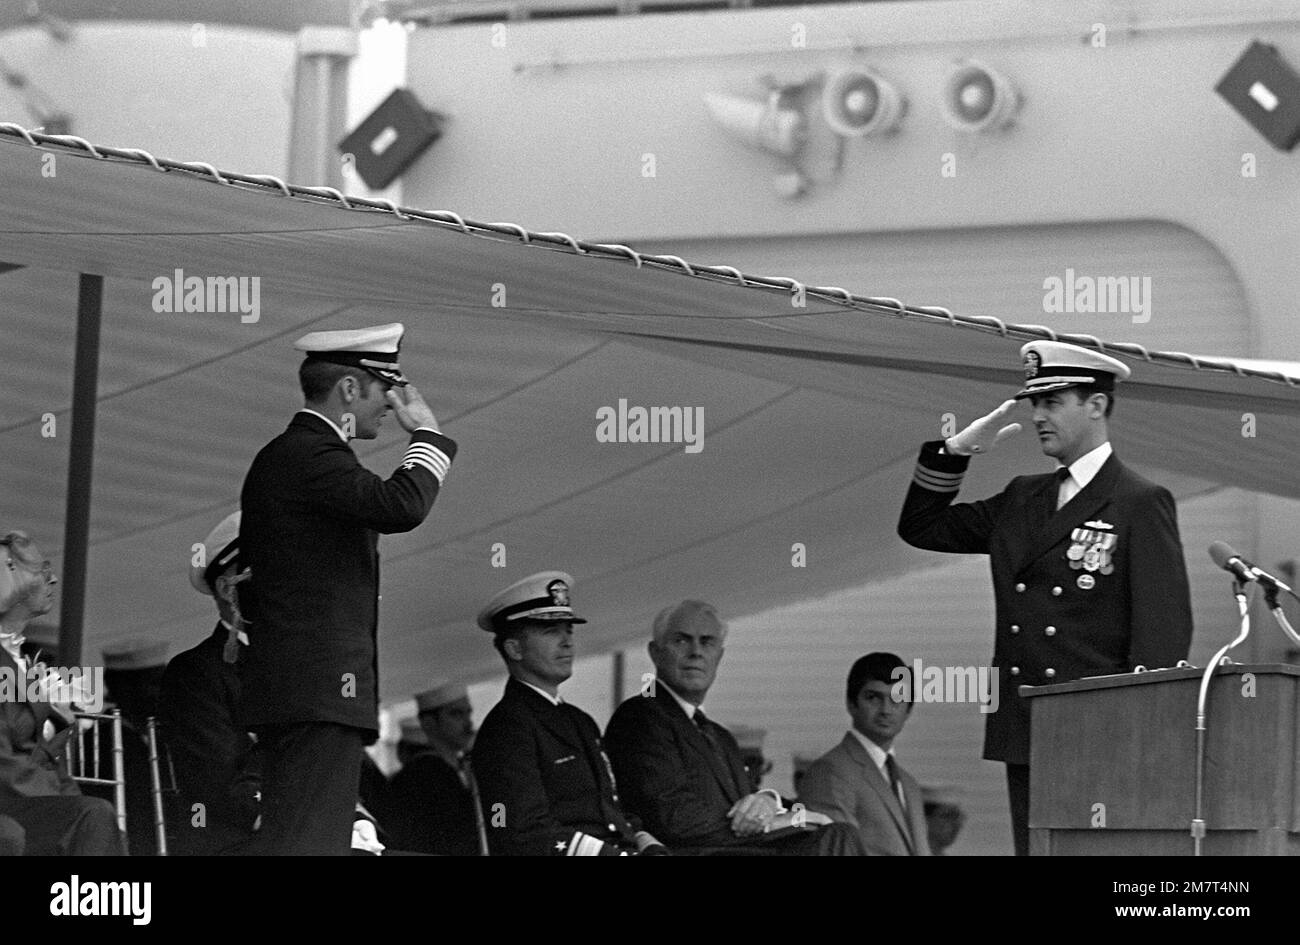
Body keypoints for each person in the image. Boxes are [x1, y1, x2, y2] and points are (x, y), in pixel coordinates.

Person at [897, 340, 1194, 855]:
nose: (1038, 415)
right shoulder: (1021, 497)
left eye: (1053, 402)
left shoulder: (1139, 502)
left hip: (1099, 735)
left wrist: (1137, 742)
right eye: (1034, 403)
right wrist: (954, 452)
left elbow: (1163, 637)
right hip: (1027, 727)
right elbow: (922, 527)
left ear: (1096, 405)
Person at [239, 322, 457, 855]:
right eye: (386, 388)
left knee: (307, 841)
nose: (392, 404)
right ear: (351, 389)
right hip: (315, 696)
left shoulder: (305, 455)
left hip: (312, 694)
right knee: (308, 845)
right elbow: (400, 506)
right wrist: (427, 437)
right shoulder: (309, 454)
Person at [604, 600, 861, 855]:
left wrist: (768, 801)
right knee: (836, 837)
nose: (696, 652)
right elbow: (675, 819)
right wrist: (772, 824)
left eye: (707, 642)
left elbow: (748, 803)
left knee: (838, 834)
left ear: (719, 655)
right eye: (682, 641)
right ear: (655, 652)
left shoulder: (720, 737)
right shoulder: (640, 717)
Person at [470, 572, 669, 856]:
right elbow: (523, 833)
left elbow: (610, 809)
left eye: (569, 631)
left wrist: (646, 842)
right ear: (514, 648)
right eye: (551, 632)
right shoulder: (507, 729)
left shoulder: (580, 721)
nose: (567, 642)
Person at [0, 531, 123, 855]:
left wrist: (70, 802)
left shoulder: (19, 660)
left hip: (25, 802)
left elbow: (45, 757)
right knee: (93, 816)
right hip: (9, 803)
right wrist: (71, 810)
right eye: (41, 571)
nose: (53, 579)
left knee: (96, 816)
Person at [158, 512, 262, 855]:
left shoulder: (302, 665)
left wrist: (357, 817)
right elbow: (220, 789)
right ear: (226, 590)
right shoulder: (195, 673)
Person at [798, 652, 931, 856]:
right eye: (873, 698)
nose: (886, 710)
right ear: (851, 704)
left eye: (897, 698)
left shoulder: (909, 784)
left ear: (909, 710)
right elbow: (836, 849)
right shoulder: (831, 772)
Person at [387, 682, 482, 855]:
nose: (467, 723)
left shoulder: (453, 770)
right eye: (456, 714)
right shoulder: (425, 775)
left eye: (468, 713)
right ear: (429, 723)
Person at [99, 637, 170, 856]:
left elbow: (197, 802)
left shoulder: (168, 737)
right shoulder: (102, 743)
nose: (162, 693)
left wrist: (199, 828)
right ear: (121, 688)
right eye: (153, 683)